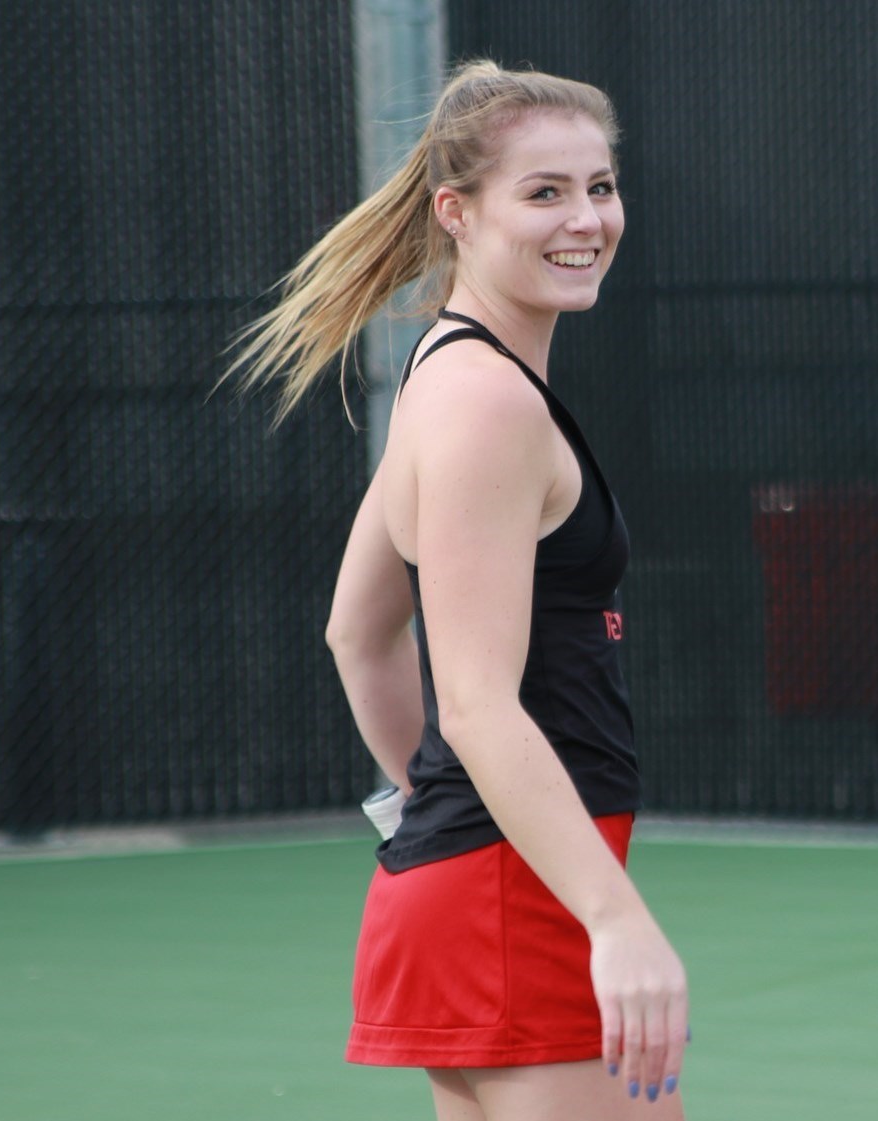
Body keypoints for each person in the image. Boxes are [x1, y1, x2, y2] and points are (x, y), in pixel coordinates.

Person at [226, 60, 687, 1119]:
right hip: (512, 911)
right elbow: (476, 700)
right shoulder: (485, 403)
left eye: (599, 187)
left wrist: (432, 808)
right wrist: (611, 915)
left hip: (479, 888)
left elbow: (357, 630)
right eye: (544, 192)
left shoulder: (449, 370)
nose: (585, 218)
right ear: (456, 210)